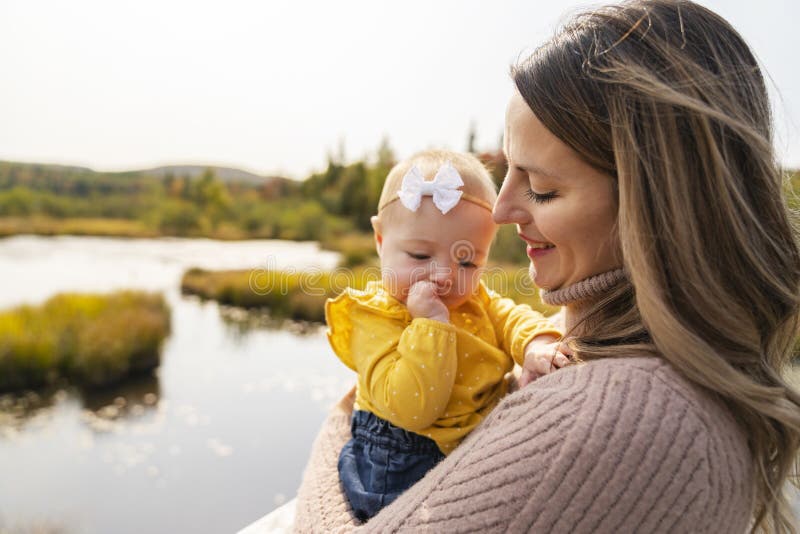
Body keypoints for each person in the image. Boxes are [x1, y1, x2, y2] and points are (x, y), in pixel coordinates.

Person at [293, 1, 800, 532]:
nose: (503, 211)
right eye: (508, 171)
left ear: (656, 207)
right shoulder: (585, 350)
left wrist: (343, 419)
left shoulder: (623, 414)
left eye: (542, 188)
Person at [326, 149, 566, 521]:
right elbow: (413, 408)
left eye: (467, 261)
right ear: (379, 239)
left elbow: (513, 317)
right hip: (399, 458)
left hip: (473, 443)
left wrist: (537, 344)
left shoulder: (475, 299)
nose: (443, 275)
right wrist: (432, 324)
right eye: (420, 256)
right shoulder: (375, 315)